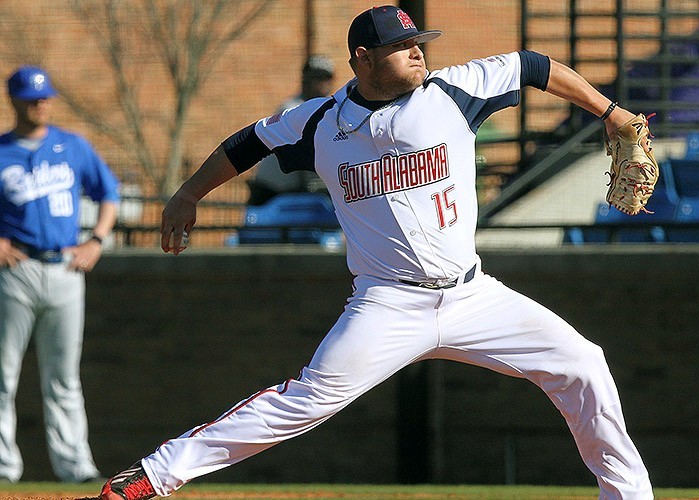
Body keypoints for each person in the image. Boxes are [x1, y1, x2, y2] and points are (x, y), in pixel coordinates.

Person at [101, 6, 654, 499]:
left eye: (420, 43)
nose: (418, 53)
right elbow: (249, 142)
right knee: (306, 401)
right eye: (402, 47)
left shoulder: (453, 91)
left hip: (472, 295)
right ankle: (155, 474)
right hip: (385, 304)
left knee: (583, 364)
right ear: (362, 58)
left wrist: (612, 114)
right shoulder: (318, 121)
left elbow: (534, 64)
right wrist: (188, 194)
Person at [0, 65, 119, 483]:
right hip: (16, 271)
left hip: (66, 269)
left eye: (46, 97)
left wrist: (97, 240)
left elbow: (109, 194)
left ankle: (76, 467)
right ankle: (2, 468)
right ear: (13, 100)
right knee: (3, 371)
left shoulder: (72, 146)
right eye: (33, 98)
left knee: (64, 376)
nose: (41, 104)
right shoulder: (1, 151)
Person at [246, 55, 335, 206]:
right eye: (316, 77)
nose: (322, 83)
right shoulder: (292, 108)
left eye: (326, 78)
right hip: (271, 193)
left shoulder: (329, 109)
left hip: (298, 195)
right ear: (304, 80)